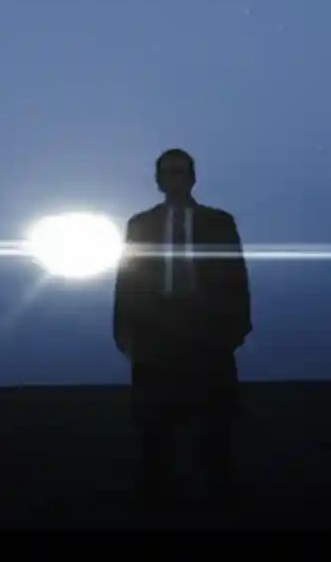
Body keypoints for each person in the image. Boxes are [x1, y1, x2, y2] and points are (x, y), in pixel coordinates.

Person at [112, 148, 252, 512]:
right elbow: (127, 279)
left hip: (207, 335)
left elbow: (237, 276)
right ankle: (156, 503)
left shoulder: (219, 222)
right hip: (155, 334)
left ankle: (222, 501)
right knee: (154, 432)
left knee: (215, 428)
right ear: (158, 180)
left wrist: (235, 329)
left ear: (193, 177)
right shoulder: (140, 225)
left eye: (181, 172)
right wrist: (125, 331)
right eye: (168, 173)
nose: (175, 179)